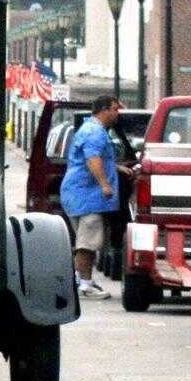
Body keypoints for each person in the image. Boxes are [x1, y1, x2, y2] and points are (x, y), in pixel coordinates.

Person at [59, 94, 132, 300]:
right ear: (104, 110)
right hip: (87, 196)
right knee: (87, 243)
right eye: (115, 109)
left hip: (79, 194)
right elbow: (92, 160)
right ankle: (84, 285)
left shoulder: (91, 129)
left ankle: (82, 280)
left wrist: (117, 168)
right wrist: (105, 184)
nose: (118, 113)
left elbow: (95, 159)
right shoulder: (95, 133)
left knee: (86, 241)